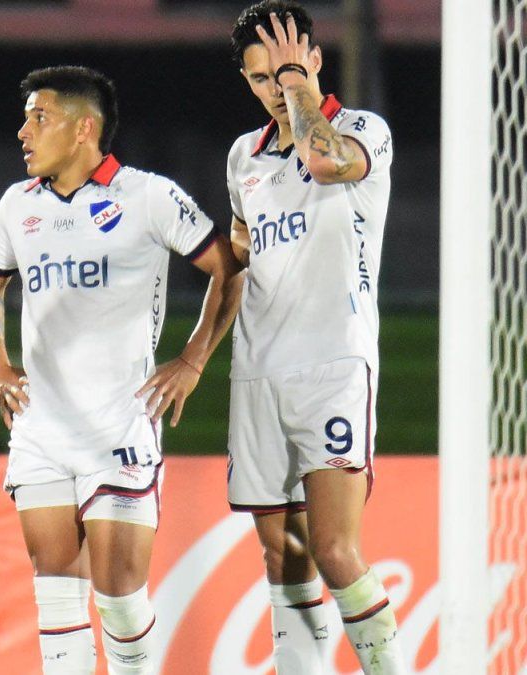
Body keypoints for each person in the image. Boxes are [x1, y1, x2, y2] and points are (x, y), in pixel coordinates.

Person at [0, 66, 243, 674]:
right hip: (42, 429)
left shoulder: (149, 196)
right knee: (56, 596)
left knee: (118, 594)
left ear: (83, 128)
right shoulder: (18, 205)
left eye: (38, 118)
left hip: (119, 426)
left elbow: (228, 269)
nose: (23, 132)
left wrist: (193, 358)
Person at [224, 2, 404, 673]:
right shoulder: (242, 156)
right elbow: (242, 245)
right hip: (258, 371)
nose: (274, 88)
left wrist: (297, 86)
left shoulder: (362, 130)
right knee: (286, 558)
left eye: (286, 72)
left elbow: (326, 164)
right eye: (260, 78)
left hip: (333, 364)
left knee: (333, 549)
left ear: (316, 62)